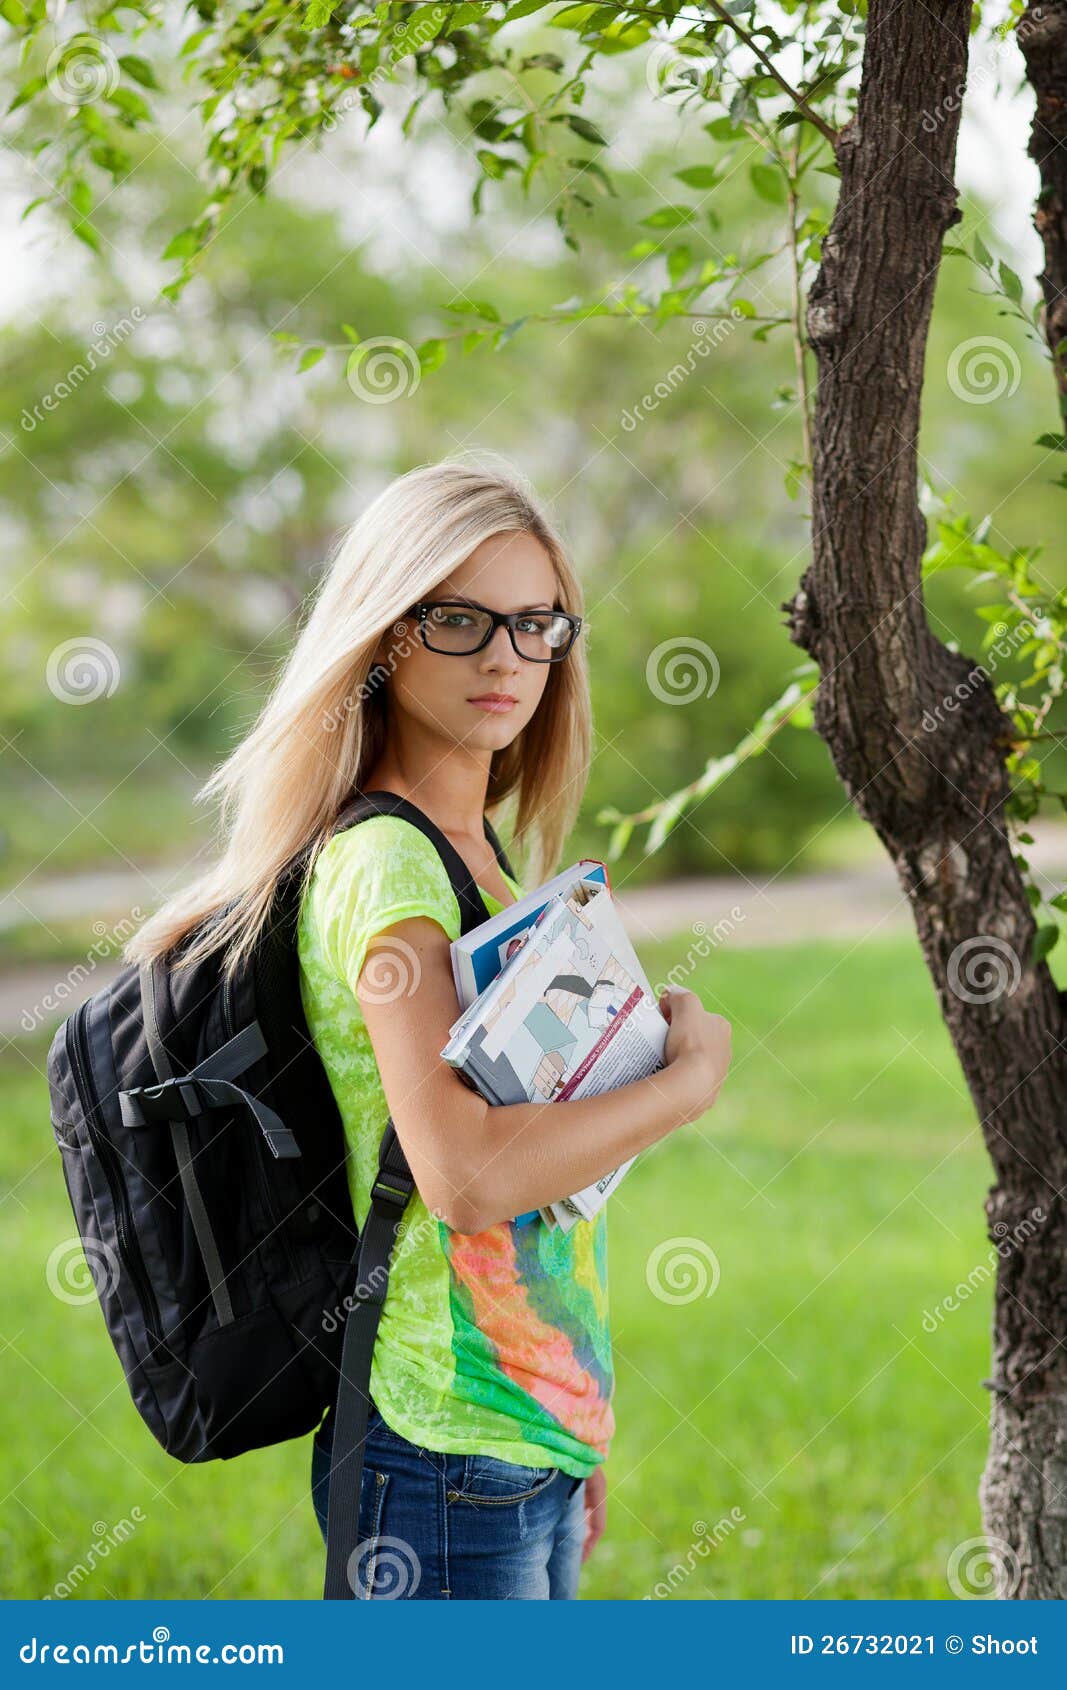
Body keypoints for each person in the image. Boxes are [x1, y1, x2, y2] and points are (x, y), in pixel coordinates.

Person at [126, 453, 732, 1599]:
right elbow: (461, 1176)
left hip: (518, 1432)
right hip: (441, 1442)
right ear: (385, 636)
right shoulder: (388, 866)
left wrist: (571, 1409)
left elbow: (541, 1190)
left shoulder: (485, 863)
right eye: (458, 618)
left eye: (536, 621)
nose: (506, 654)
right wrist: (687, 1081)